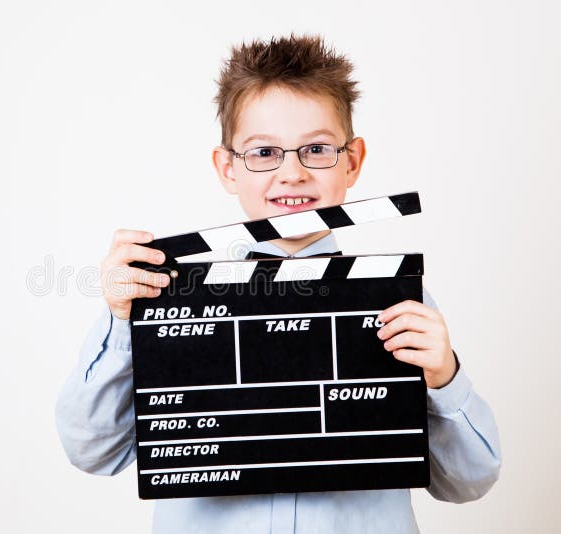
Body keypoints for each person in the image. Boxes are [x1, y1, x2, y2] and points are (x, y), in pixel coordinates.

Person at [55, 33, 501, 533]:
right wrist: (121, 321)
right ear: (227, 168)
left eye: (316, 149)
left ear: (352, 161)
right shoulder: (165, 300)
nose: (291, 173)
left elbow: (468, 482)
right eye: (264, 152)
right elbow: (92, 450)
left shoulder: (396, 301)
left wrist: (444, 376)